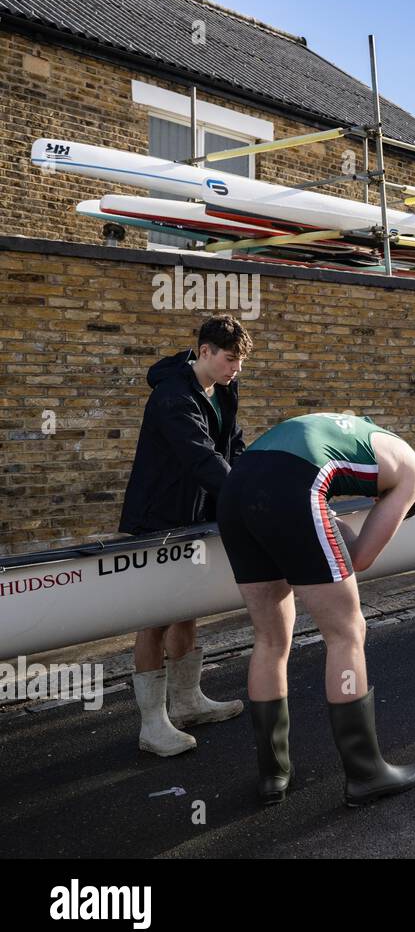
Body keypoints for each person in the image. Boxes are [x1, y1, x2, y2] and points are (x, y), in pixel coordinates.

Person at [216, 413, 415, 806]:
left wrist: (324, 520)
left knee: (269, 638)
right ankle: (366, 773)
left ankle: (273, 775)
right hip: (293, 488)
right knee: (347, 632)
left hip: (236, 487)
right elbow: (362, 557)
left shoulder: (367, 432)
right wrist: (333, 524)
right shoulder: (412, 475)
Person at [120, 315, 251, 757]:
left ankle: (189, 701)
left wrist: (256, 479)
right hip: (161, 517)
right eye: (229, 359)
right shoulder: (172, 396)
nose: (235, 368)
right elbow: (200, 457)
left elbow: (232, 447)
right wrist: (242, 497)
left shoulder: (224, 389)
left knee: (188, 607)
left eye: (239, 362)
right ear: (204, 351)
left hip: (198, 514)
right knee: (156, 615)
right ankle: (152, 725)